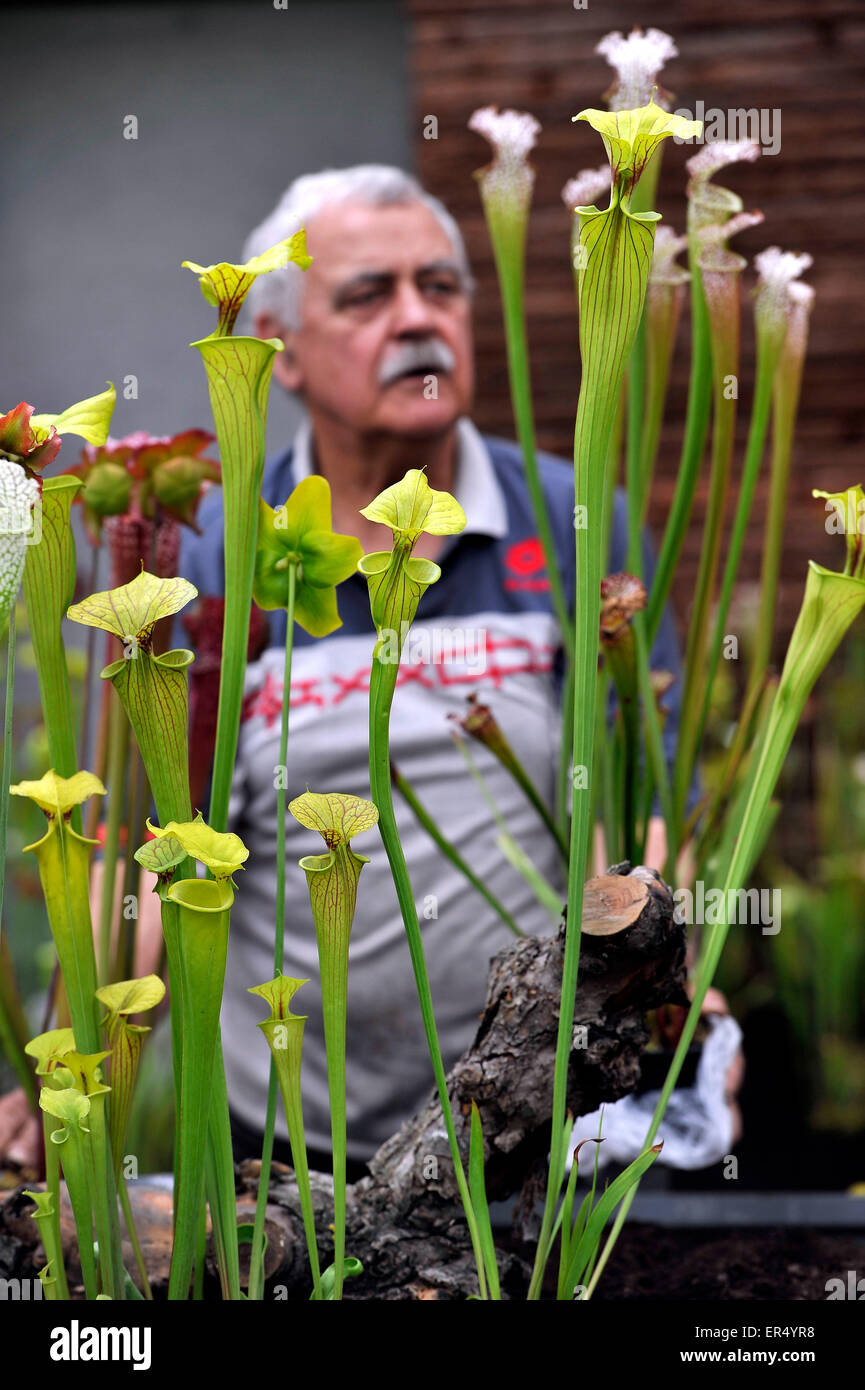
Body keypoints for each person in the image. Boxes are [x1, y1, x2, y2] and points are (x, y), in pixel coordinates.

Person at [0, 166, 714, 1177]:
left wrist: (679, 990)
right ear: (279, 354)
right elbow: (157, 848)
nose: (418, 319)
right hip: (287, 1149)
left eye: (441, 286)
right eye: (368, 295)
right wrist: (74, 1074)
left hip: (546, 1127)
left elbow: (644, 799)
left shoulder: (567, 515)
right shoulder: (212, 554)